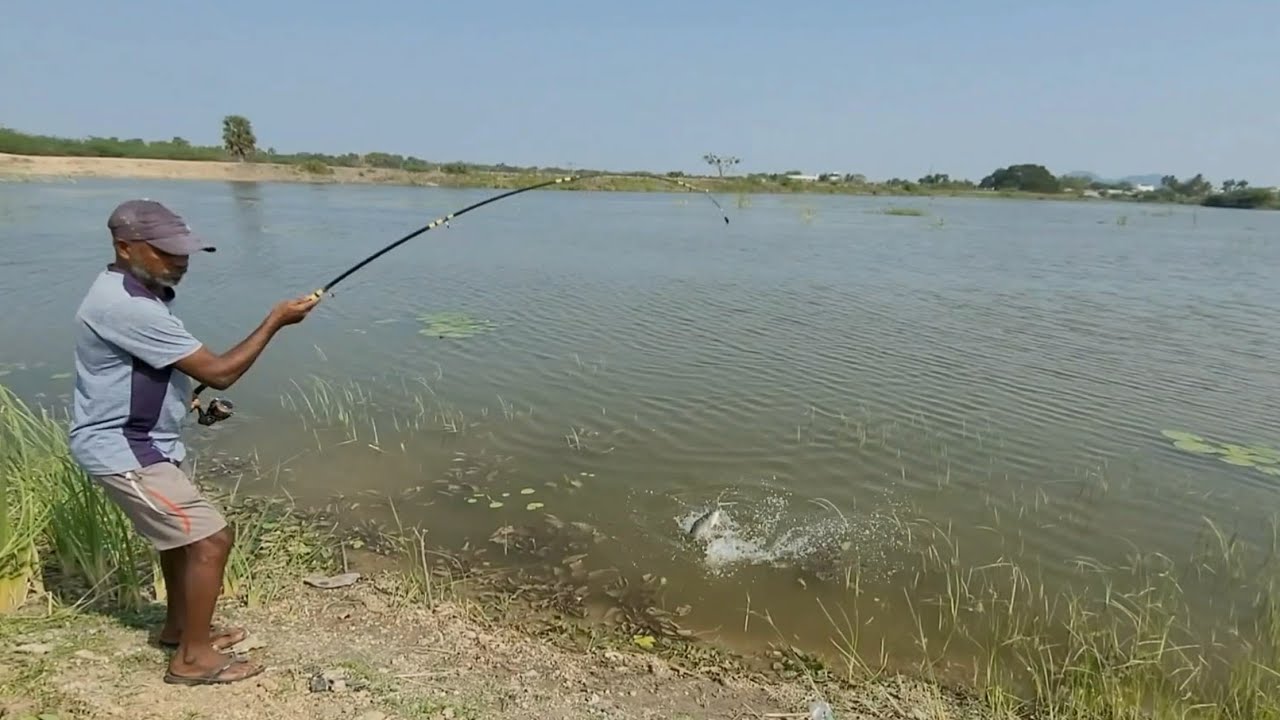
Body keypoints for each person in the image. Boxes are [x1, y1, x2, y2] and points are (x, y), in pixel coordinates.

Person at [68, 199, 319, 685]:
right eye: (167, 251)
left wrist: (188, 404)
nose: (181, 260)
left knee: (180, 540)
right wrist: (275, 321)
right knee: (210, 538)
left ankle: (181, 628)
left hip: (148, 440)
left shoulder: (138, 290)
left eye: (185, 250)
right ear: (125, 247)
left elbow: (144, 374)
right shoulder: (128, 306)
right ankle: (191, 660)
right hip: (124, 449)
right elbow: (220, 373)